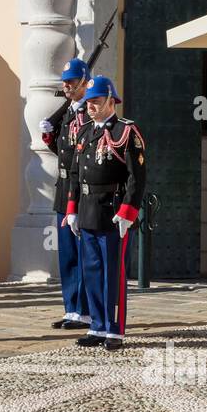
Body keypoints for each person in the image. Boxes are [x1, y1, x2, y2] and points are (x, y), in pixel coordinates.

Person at [65, 75, 145, 351]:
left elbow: (137, 177)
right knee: (92, 271)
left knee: (113, 273)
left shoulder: (126, 132)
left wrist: (127, 212)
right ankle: (97, 325)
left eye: (97, 101)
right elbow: (75, 174)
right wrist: (72, 209)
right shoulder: (86, 131)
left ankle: (114, 329)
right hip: (87, 211)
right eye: (89, 102)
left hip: (112, 213)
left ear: (111, 101)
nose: (91, 106)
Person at [40, 57, 93, 331]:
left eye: (71, 81)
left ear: (84, 83)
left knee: (83, 254)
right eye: (65, 81)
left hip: (81, 194)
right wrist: (49, 138)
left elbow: (85, 158)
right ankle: (72, 308)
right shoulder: (70, 114)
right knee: (68, 256)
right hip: (63, 192)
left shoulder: (88, 115)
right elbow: (65, 154)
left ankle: (85, 310)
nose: (66, 85)